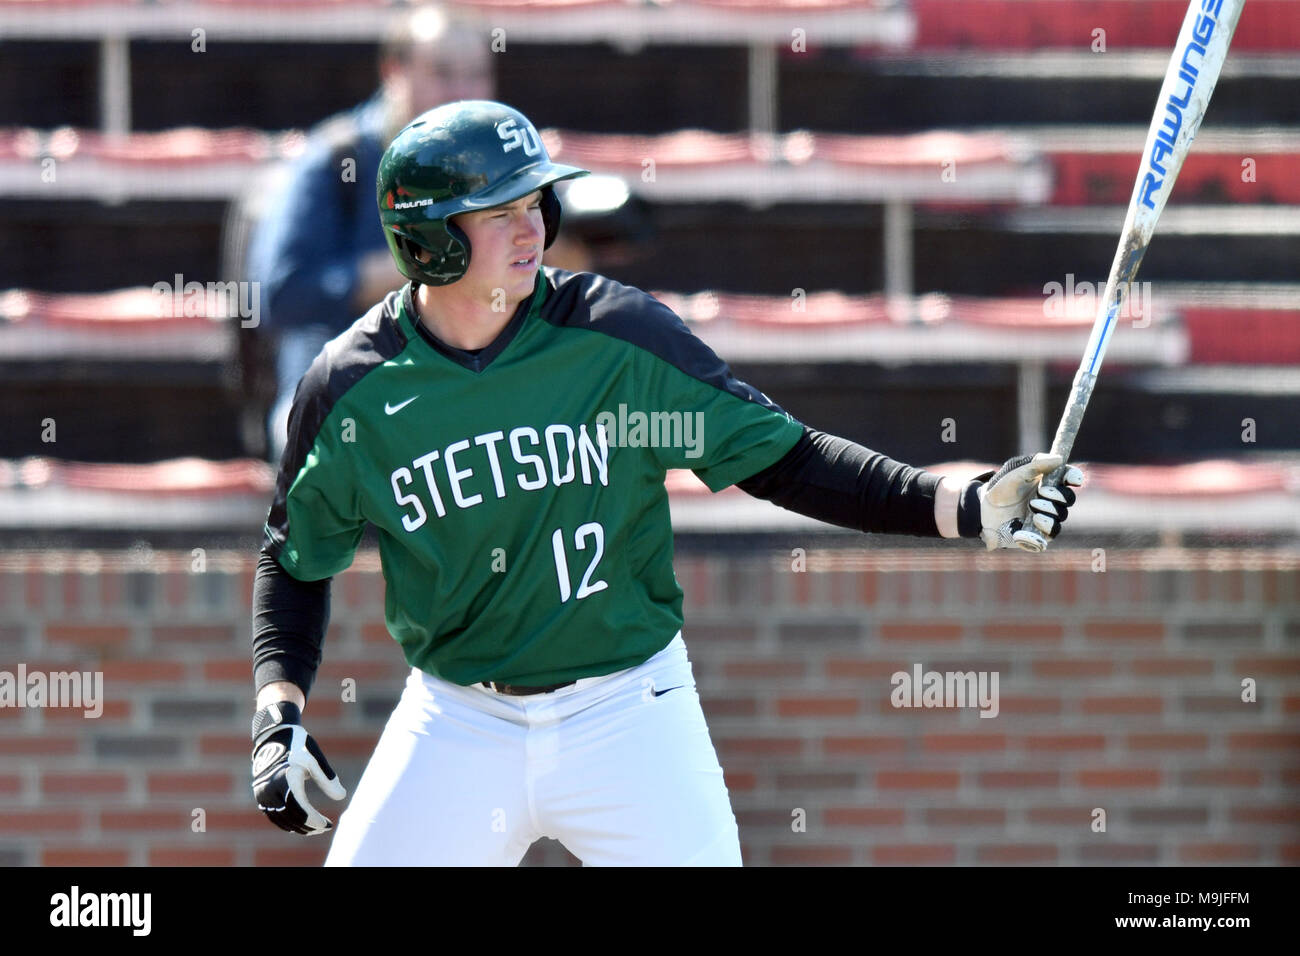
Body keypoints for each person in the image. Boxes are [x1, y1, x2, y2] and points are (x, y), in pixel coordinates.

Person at [248, 101, 1084, 866]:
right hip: (459, 718)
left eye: (536, 201)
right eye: (499, 210)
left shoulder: (617, 337)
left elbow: (786, 460)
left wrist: (965, 505)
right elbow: (294, 560)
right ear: (429, 238)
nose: (532, 226)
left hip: (628, 710)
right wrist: (277, 710)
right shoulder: (354, 387)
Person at [245, 4, 492, 462]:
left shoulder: (498, 170)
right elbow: (272, 297)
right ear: (394, 71)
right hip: (340, 397)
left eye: (476, 74)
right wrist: (388, 274)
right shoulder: (335, 159)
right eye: (442, 72)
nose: (462, 92)